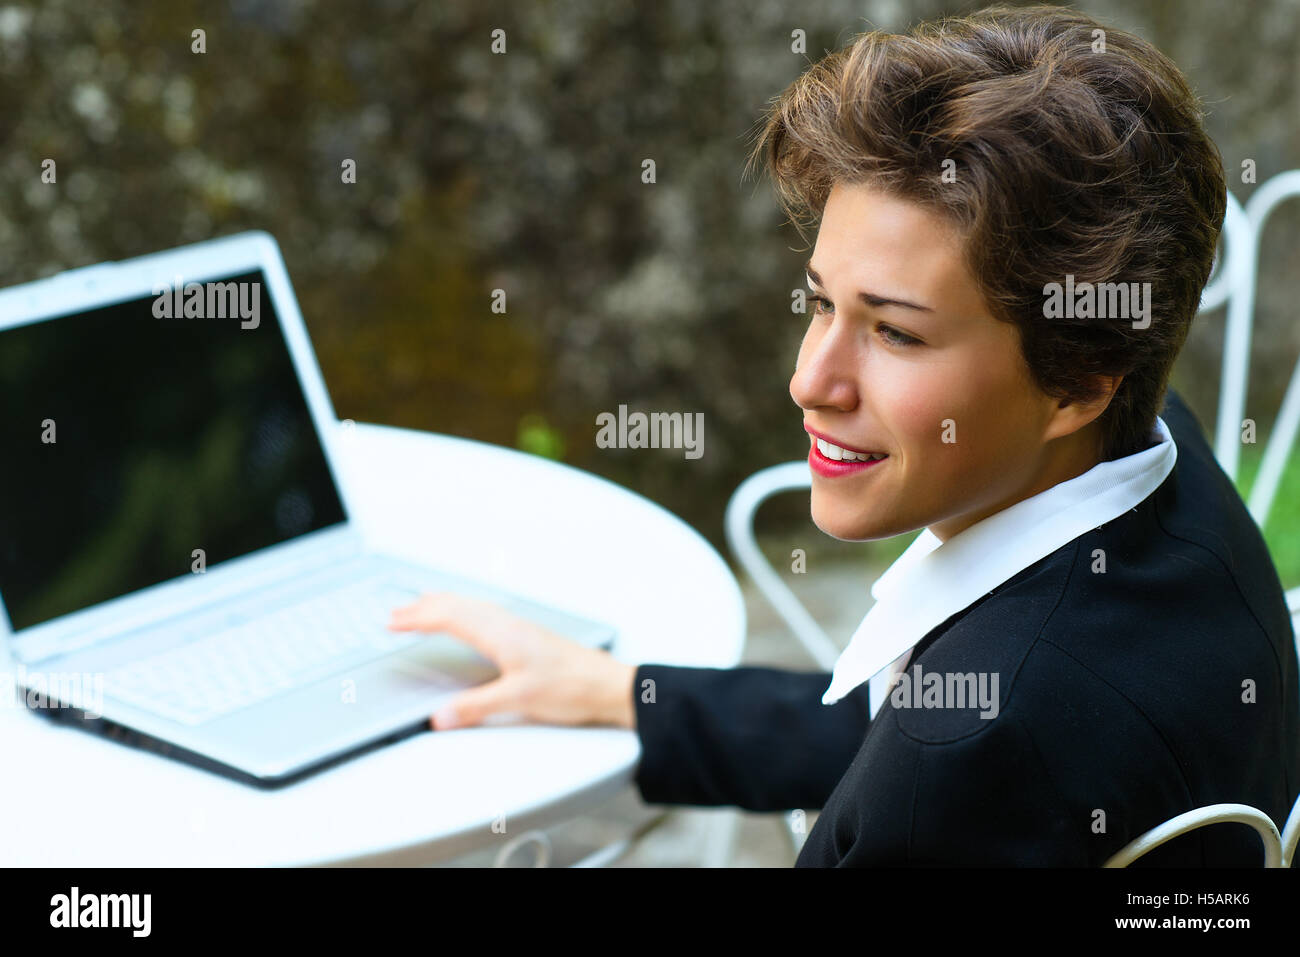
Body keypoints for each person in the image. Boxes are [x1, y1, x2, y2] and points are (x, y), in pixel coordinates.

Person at [388, 4, 1300, 865]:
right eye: (821, 301)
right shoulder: (1159, 464)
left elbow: (947, 757)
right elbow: (904, 724)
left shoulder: (977, 755)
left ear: (1077, 383)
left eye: (896, 332)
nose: (809, 382)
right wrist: (624, 695)